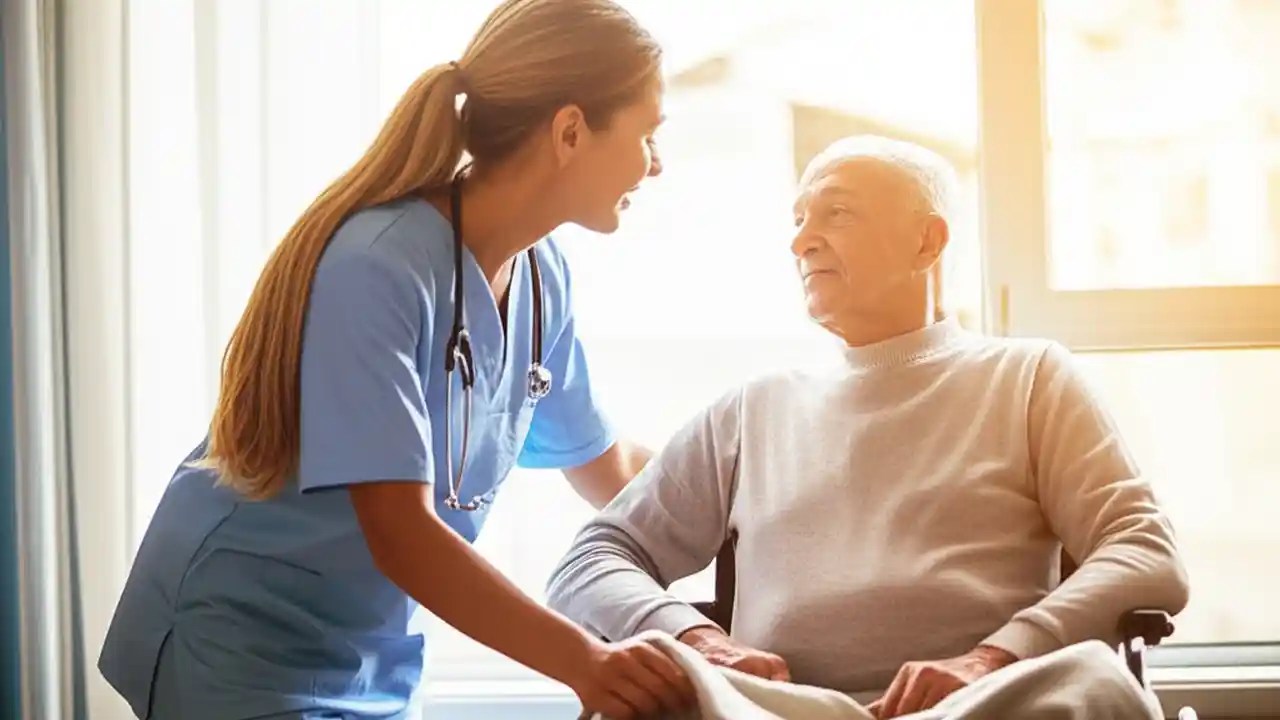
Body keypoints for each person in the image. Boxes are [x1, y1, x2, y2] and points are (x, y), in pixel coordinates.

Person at [97, 2, 699, 719]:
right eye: (648, 135)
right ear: (570, 131)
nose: (658, 166)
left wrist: (736, 512)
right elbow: (402, 533)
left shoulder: (543, 278)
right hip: (241, 647)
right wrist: (586, 662)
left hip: (370, 657)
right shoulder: (379, 269)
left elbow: (608, 466)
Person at [545, 135, 1191, 718]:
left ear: (927, 242)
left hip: (983, 705)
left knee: (1095, 681)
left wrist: (991, 660)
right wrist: (698, 639)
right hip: (777, 711)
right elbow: (591, 560)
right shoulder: (752, 408)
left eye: (836, 213)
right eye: (799, 221)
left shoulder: (1030, 377)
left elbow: (1147, 552)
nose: (800, 241)